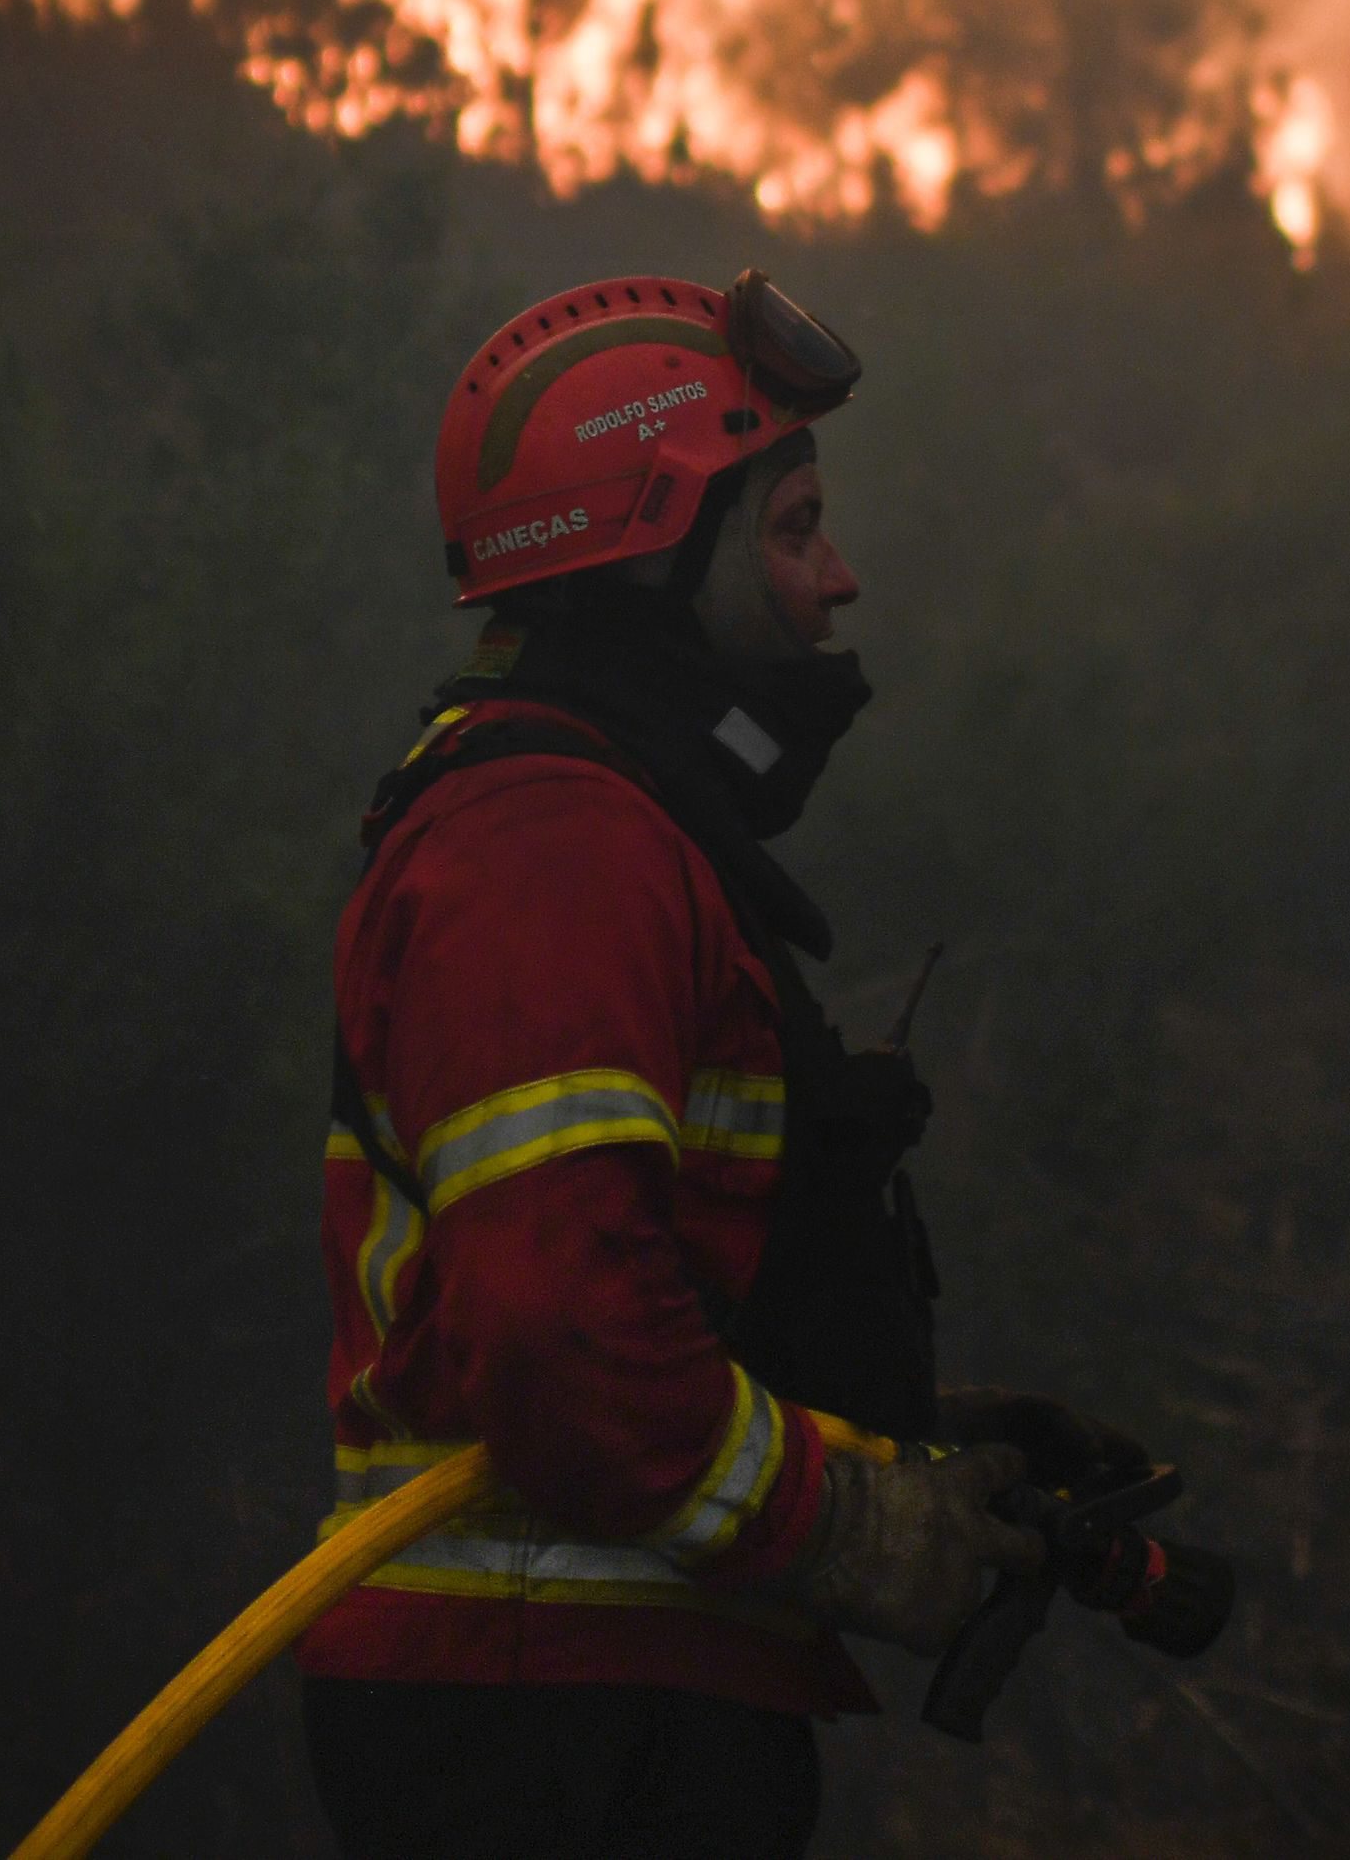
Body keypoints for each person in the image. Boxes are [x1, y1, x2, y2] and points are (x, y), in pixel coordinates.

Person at [298, 269, 1148, 1859]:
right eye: (795, 522)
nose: (839, 580)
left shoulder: (611, 839)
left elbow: (618, 1304)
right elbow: (560, 1337)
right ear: (652, 547)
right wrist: (852, 1525)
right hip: (548, 1730)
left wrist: (917, 1442)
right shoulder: (552, 845)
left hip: (595, 1714)